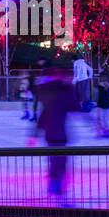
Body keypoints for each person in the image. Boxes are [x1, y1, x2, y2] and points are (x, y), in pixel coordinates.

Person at [34, 65, 78, 195]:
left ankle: (54, 182)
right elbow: (74, 106)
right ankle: (56, 183)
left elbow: (44, 114)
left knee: (54, 158)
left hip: (50, 132)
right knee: (60, 159)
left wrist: (36, 132)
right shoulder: (64, 92)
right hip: (59, 133)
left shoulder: (50, 92)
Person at [93, 74, 109, 138]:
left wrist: (96, 102)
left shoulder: (99, 86)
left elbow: (96, 95)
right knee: (106, 120)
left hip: (100, 105)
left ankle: (103, 132)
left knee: (101, 119)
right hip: (108, 105)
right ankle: (107, 133)